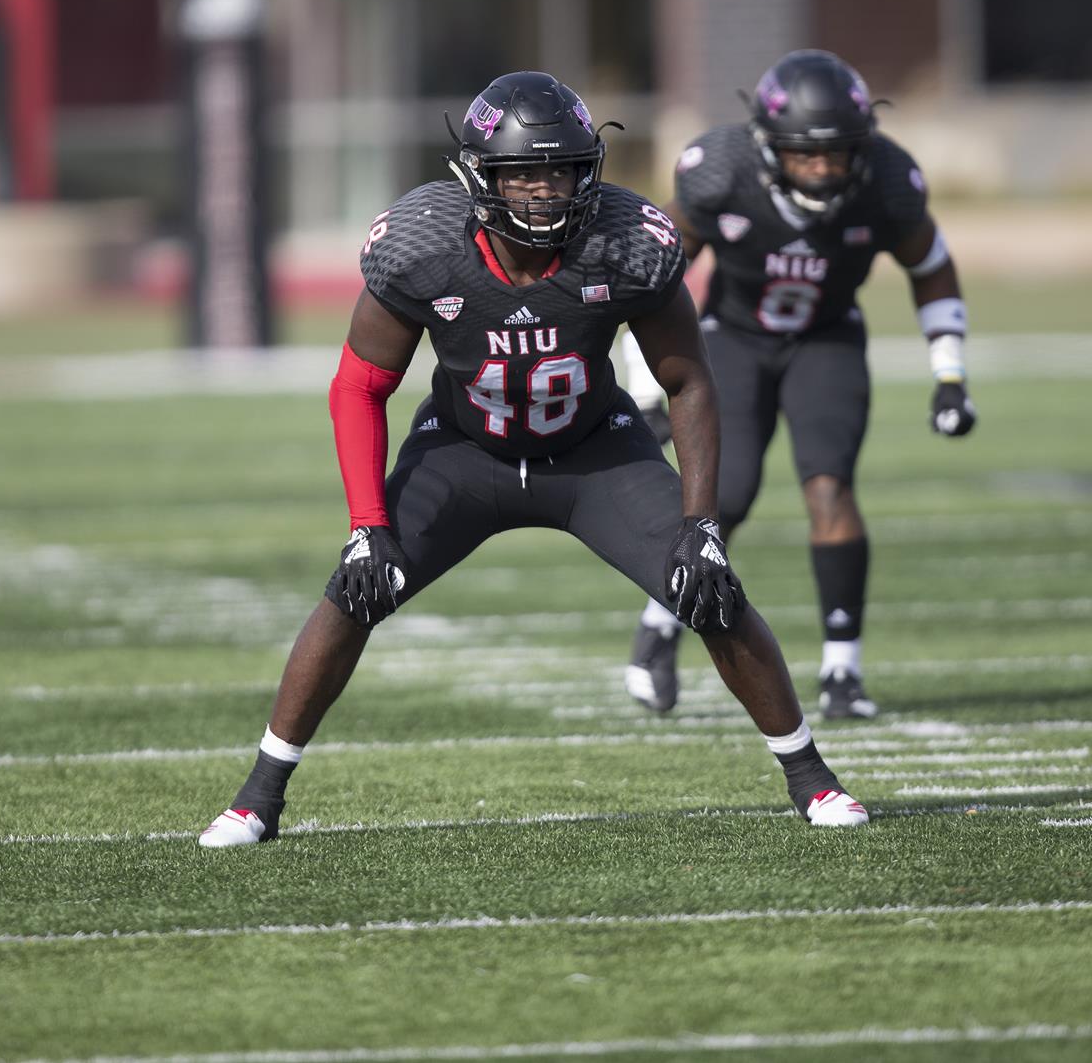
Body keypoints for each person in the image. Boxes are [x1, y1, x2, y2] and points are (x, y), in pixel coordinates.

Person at [200, 71, 869, 848]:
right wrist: (365, 525)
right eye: (522, 173)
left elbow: (688, 381)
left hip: (594, 452)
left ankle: (811, 778)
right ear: (482, 176)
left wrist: (703, 523)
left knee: (711, 591)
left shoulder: (628, 244)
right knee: (356, 591)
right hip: (462, 451)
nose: (543, 191)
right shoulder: (423, 248)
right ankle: (258, 796)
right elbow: (358, 388)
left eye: (559, 171)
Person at [619, 49, 973, 721]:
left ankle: (843, 669)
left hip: (827, 337)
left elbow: (931, 264)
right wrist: (646, 388)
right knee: (727, 495)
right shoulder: (721, 173)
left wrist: (949, 373)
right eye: (804, 152)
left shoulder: (889, 182)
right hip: (732, 334)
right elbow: (651, 280)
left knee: (830, 489)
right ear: (768, 145)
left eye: (837, 152)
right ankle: (659, 627)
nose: (821, 166)